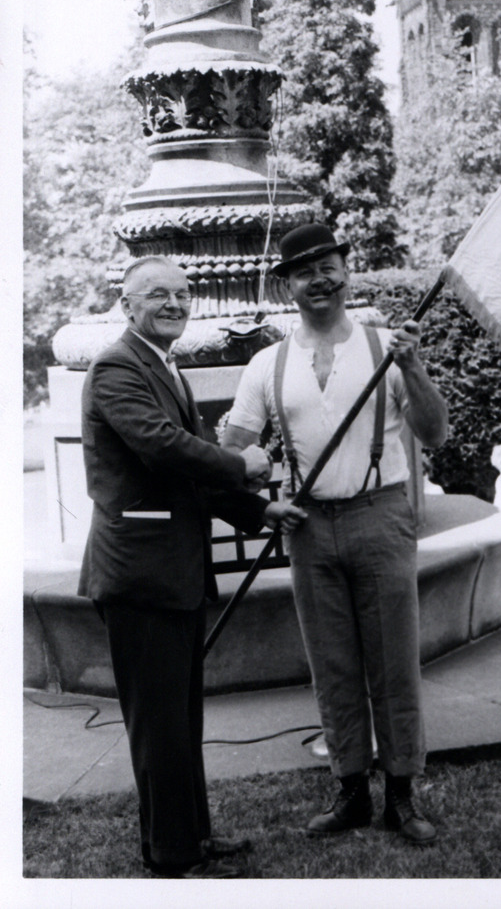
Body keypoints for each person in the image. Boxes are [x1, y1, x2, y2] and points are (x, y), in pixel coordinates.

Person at [78, 255, 306, 879]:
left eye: (182, 294)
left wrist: (261, 513)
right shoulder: (117, 367)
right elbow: (162, 445)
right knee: (160, 726)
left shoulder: (165, 367)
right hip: (140, 577)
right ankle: (173, 857)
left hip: (169, 574)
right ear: (127, 306)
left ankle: (193, 837)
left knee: (181, 719)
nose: (175, 304)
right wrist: (243, 466)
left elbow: (186, 471)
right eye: (158, 295)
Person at [222, 223, 449, 845]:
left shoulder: (384, 349)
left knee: (393, 660)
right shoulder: (269, 363)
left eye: (328, 266)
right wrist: (257, 491)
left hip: (380, 515)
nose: (319, 279)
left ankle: (401, 794)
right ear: (287, 286)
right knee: (332, 664)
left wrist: (416, 368)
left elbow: (434, 433)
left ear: (346, 273)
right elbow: (231, 445)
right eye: (304, 272)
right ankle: (351, 790)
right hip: (309, 526)